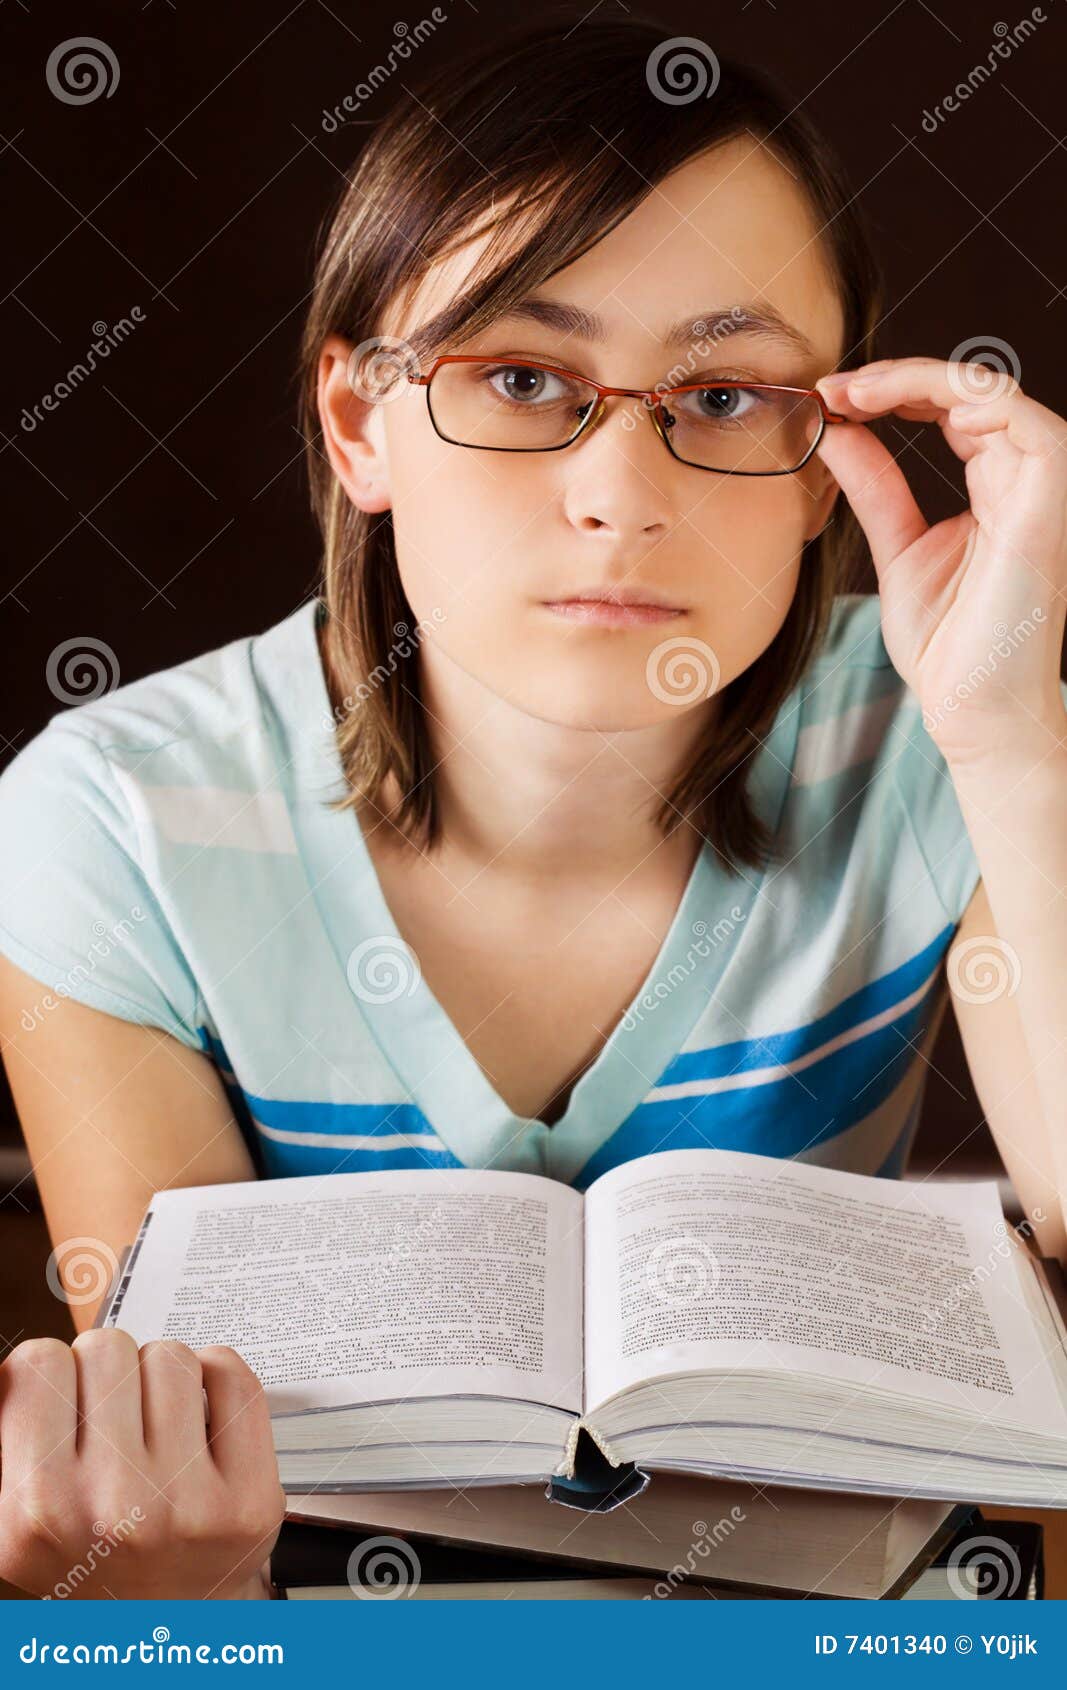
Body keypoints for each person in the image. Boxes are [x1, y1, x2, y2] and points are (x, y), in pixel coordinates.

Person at [1, 15, 1065, 1600]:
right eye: (518, 377)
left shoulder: (935, 731)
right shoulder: (114, 821)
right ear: (360, 423)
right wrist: (155, 1591)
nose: (620, 494)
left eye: (722, 397)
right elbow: (174, 1496)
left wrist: (1010, 738)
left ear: (824, 446)